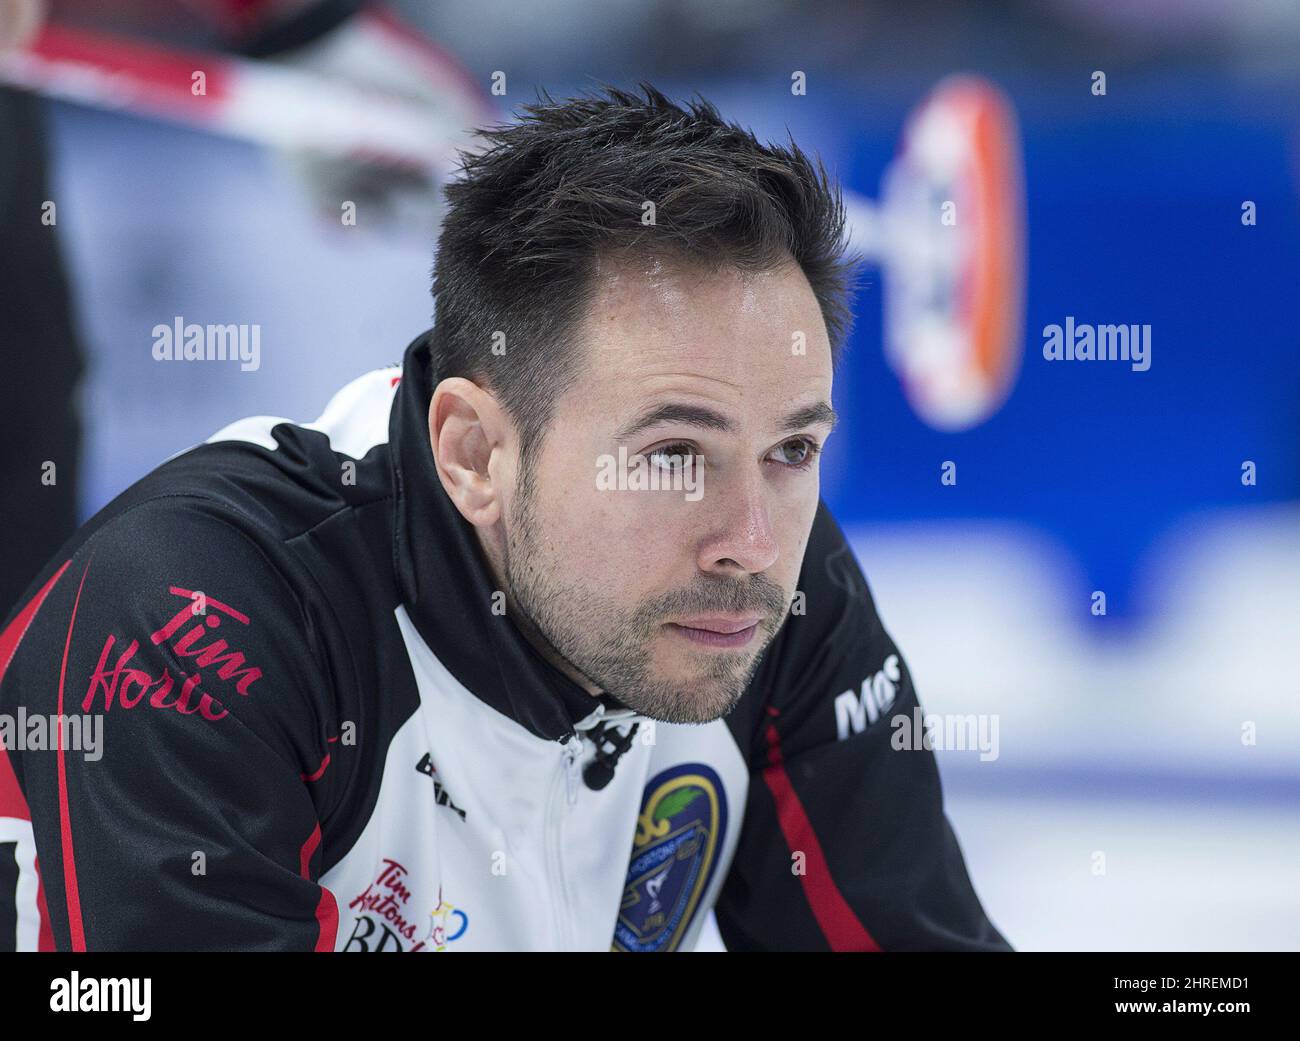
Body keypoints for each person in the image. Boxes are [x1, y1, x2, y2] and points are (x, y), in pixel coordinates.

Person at [0, 83, 1010, 952]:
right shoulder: (198, 624)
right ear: (474, 454)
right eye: (670, 455)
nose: (749, 538)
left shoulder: (759, 595)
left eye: (791, 448)